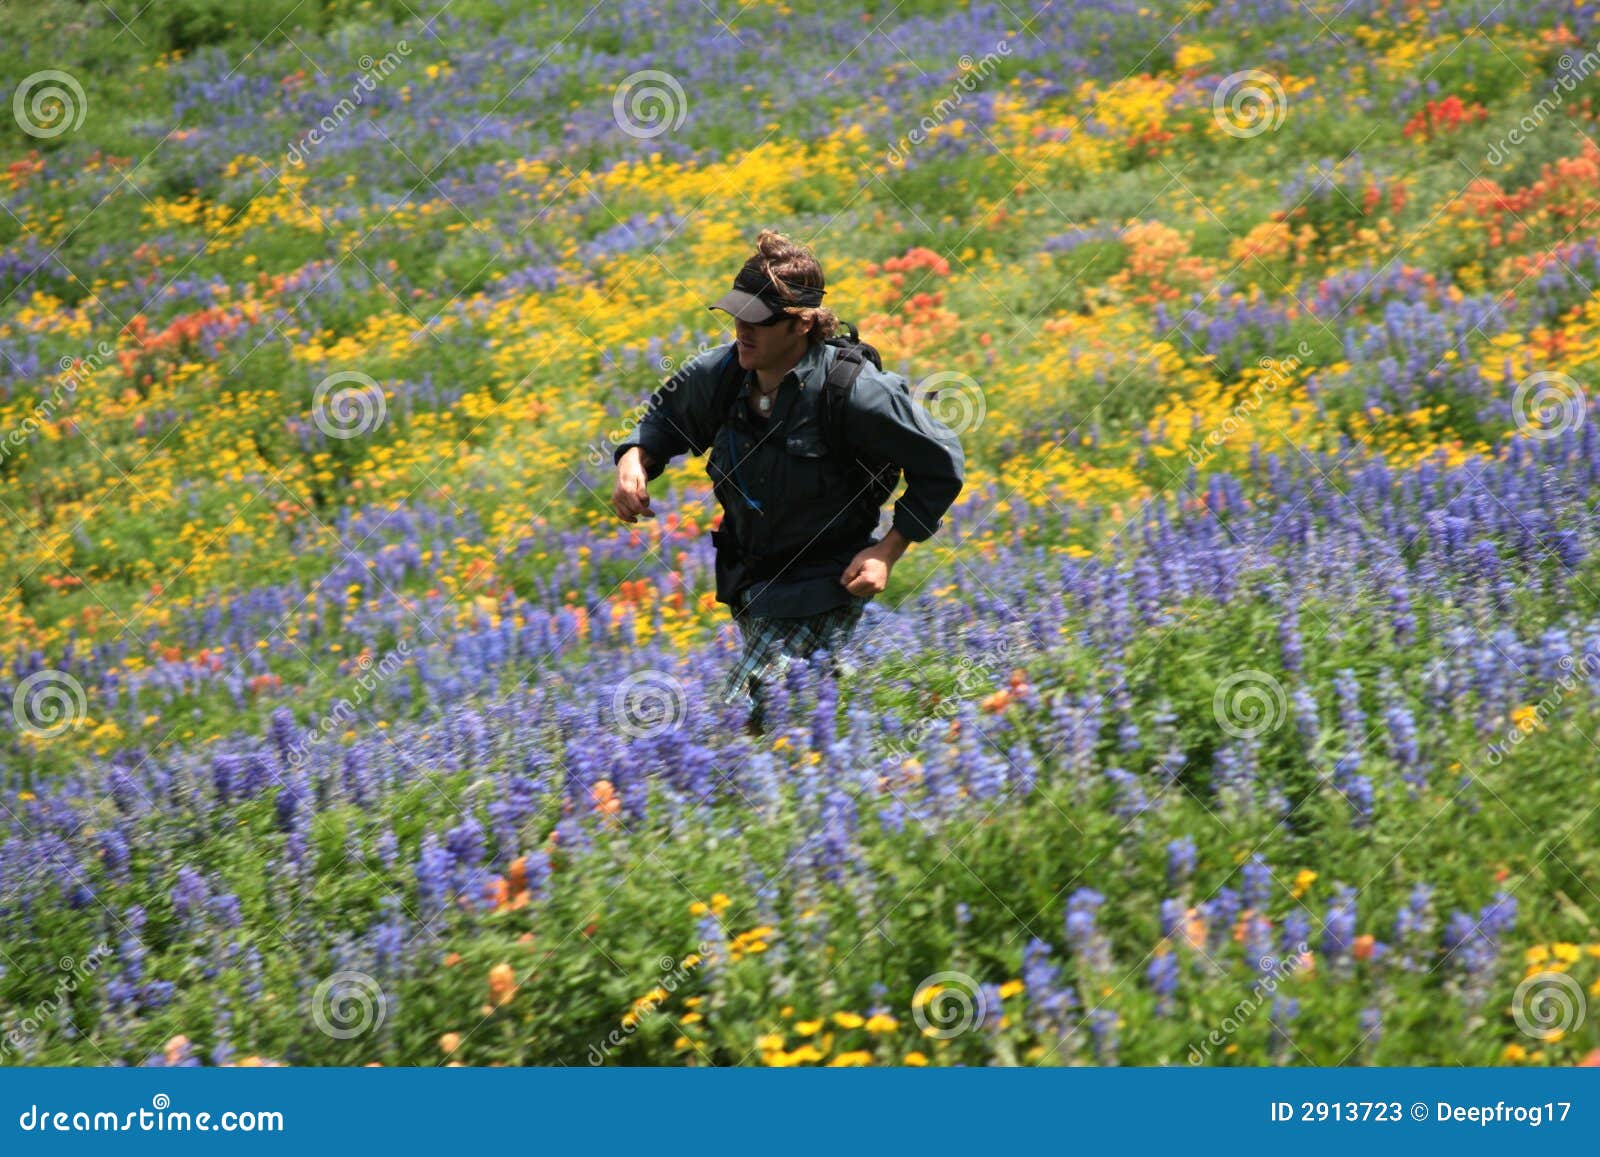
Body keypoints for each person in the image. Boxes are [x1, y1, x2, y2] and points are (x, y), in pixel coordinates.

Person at [611, 229, 965, 734]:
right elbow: (663, 418)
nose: (742, 331)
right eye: (736, 315)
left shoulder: (857, 394)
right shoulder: (723, 374)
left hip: (825, 581)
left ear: (801, 325)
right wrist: (634, 460)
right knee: (810, 727)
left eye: (758, 321)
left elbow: (941, 463)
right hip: (752, 586)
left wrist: (886, 552)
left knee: (746, 722)